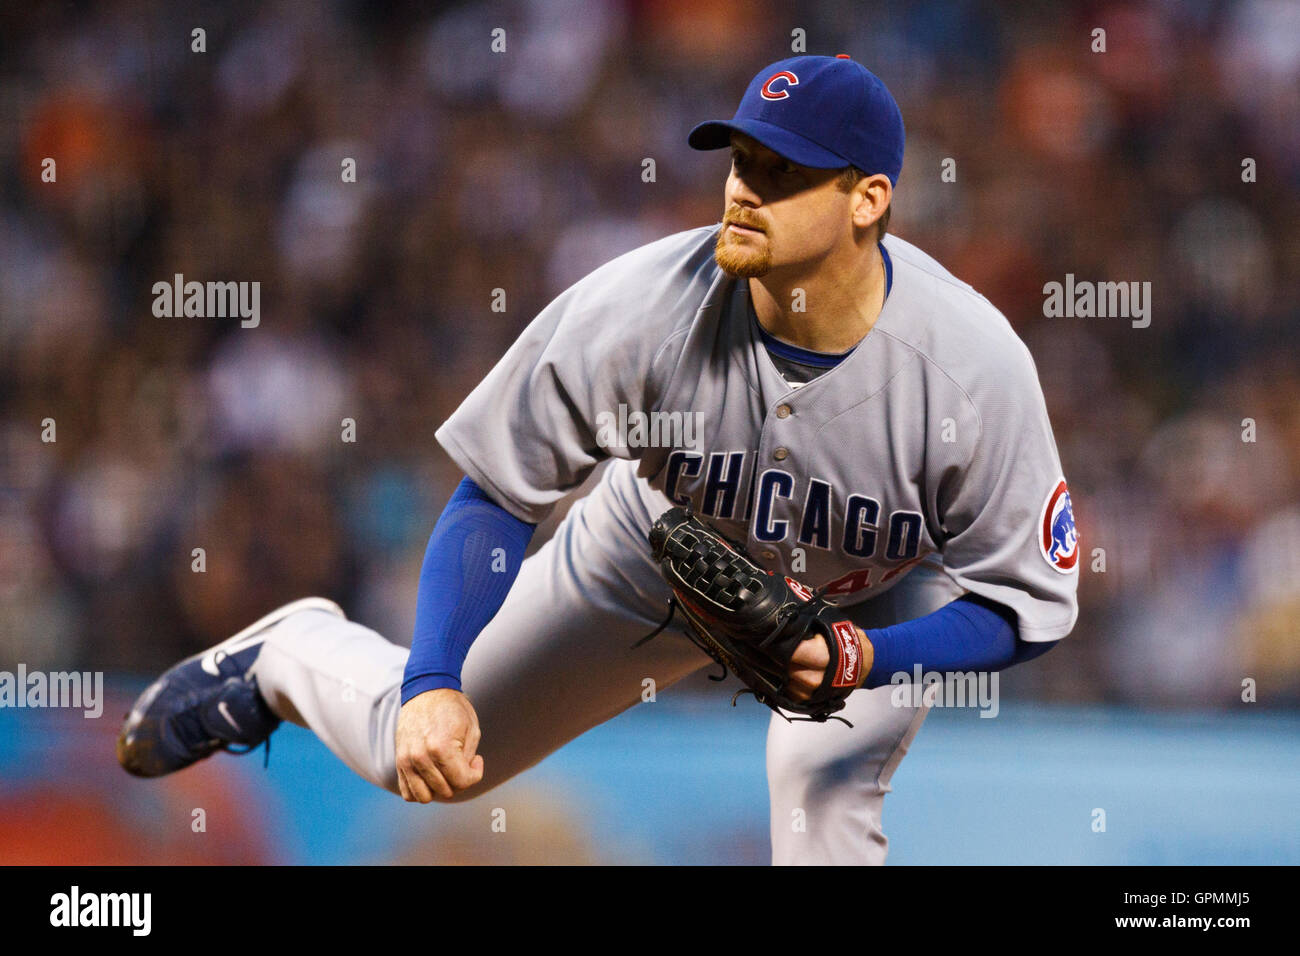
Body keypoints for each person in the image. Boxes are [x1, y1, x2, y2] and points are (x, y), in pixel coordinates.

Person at [118, 54, 1079, 865]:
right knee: (430, 756)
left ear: (870, 199)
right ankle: (284, 653)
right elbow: (496, 493)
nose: (745, 187)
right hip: (649, 547)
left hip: (869, 599)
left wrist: (866, 655)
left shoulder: (970, 371)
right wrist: (434, 680)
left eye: (784, 170)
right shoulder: (641, 307)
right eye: (741, 158)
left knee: (822, 797)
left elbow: (1026, 602)